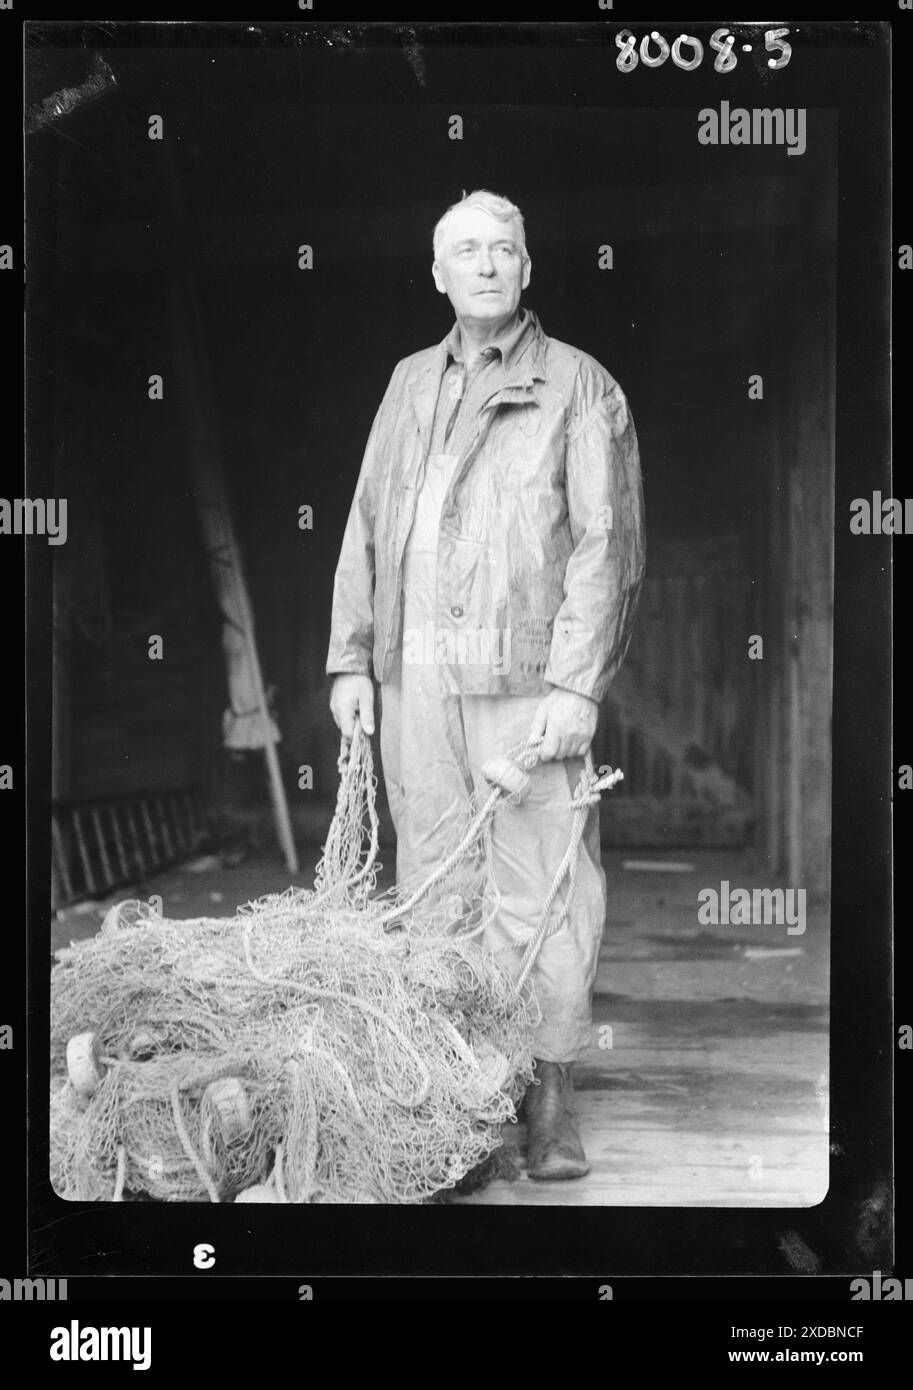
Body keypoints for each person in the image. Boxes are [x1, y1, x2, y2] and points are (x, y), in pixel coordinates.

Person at [326, 189, 645, 1180]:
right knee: (434, 891)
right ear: (437, 273)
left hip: (524, 681)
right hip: (416, 683)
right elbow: (367, 521)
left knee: (543, 892)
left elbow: (607, 545)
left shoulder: (577, 385)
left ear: (526, 268)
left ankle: (549, 1094)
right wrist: (349, 655)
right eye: (465, 250)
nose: (486, 264)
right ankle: (461, 1100)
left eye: (502, 249)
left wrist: (576, 684)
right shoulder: (407, 382)